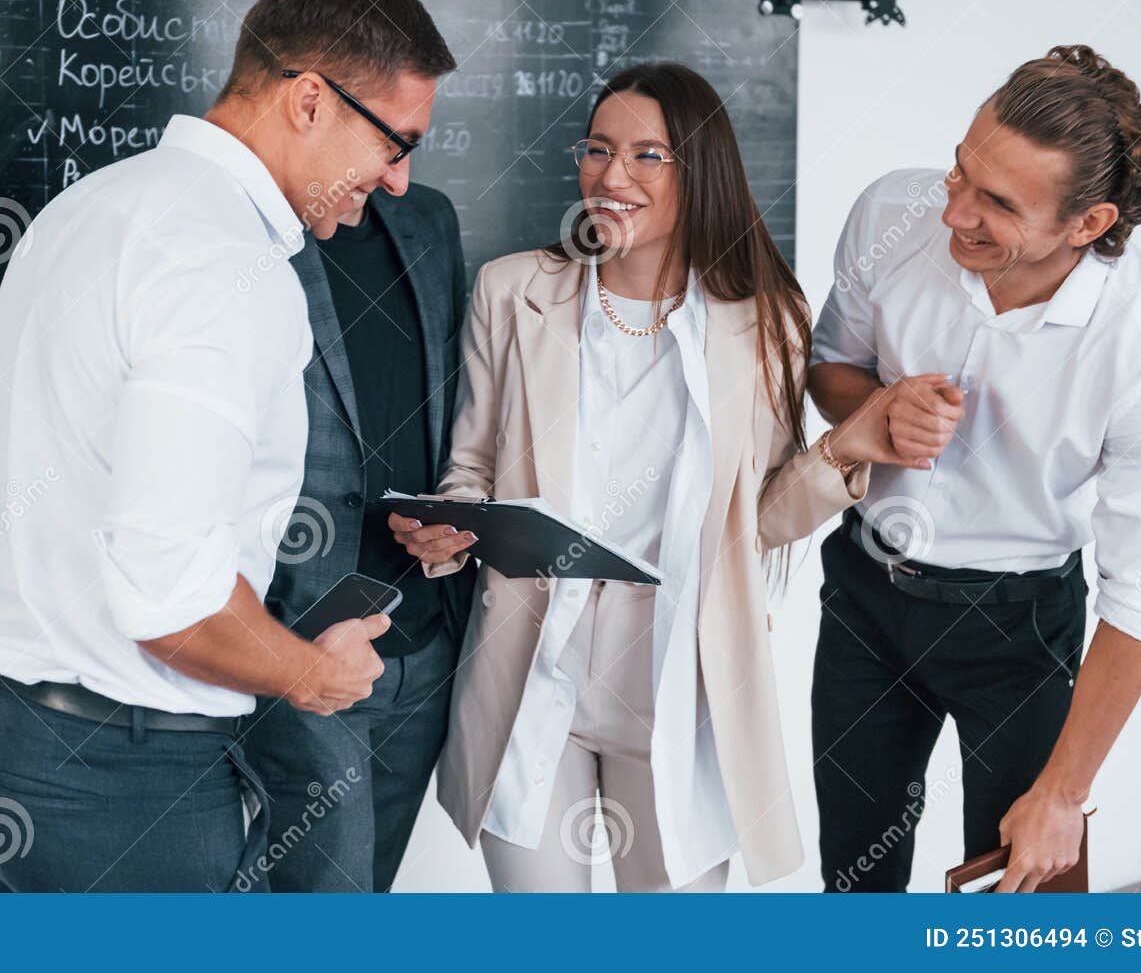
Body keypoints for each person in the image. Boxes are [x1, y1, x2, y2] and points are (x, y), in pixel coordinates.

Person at [0, 0, 456, 892]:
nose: (401, 180)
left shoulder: (96, 203)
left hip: (4, 730)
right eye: (395, 142)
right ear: (308, 101)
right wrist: (310, 675)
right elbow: (169, 603)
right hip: (117, 781)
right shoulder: (225, 265)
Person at [390, 62, 911, 892]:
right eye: (597, 150)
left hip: (683, 681)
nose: (612, 175)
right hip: (535, 676)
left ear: (698, 171)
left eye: (647, 156)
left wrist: (848, 451)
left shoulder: (766, 321)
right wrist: (447, 530)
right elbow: (471, 469)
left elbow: (762, 514)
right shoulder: (513, 292)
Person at [808, 44, 1141, 893]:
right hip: (864, 597)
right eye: (960, 172)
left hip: (1017, 627)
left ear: (1088, 224)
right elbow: (828, 368)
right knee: (853, 886)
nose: (954, 213)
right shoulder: (891, 212)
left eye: (997, 203)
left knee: (1026, 902)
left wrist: (1065, 794)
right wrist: (877, 411)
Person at [242, 177, 475, 892]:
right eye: (391, 137)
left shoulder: (429, 217)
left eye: (413, 143)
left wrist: (459, 510)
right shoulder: (244, 228)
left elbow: (457, 402)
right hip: (299, 635)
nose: (398, 173)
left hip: (424, 639)